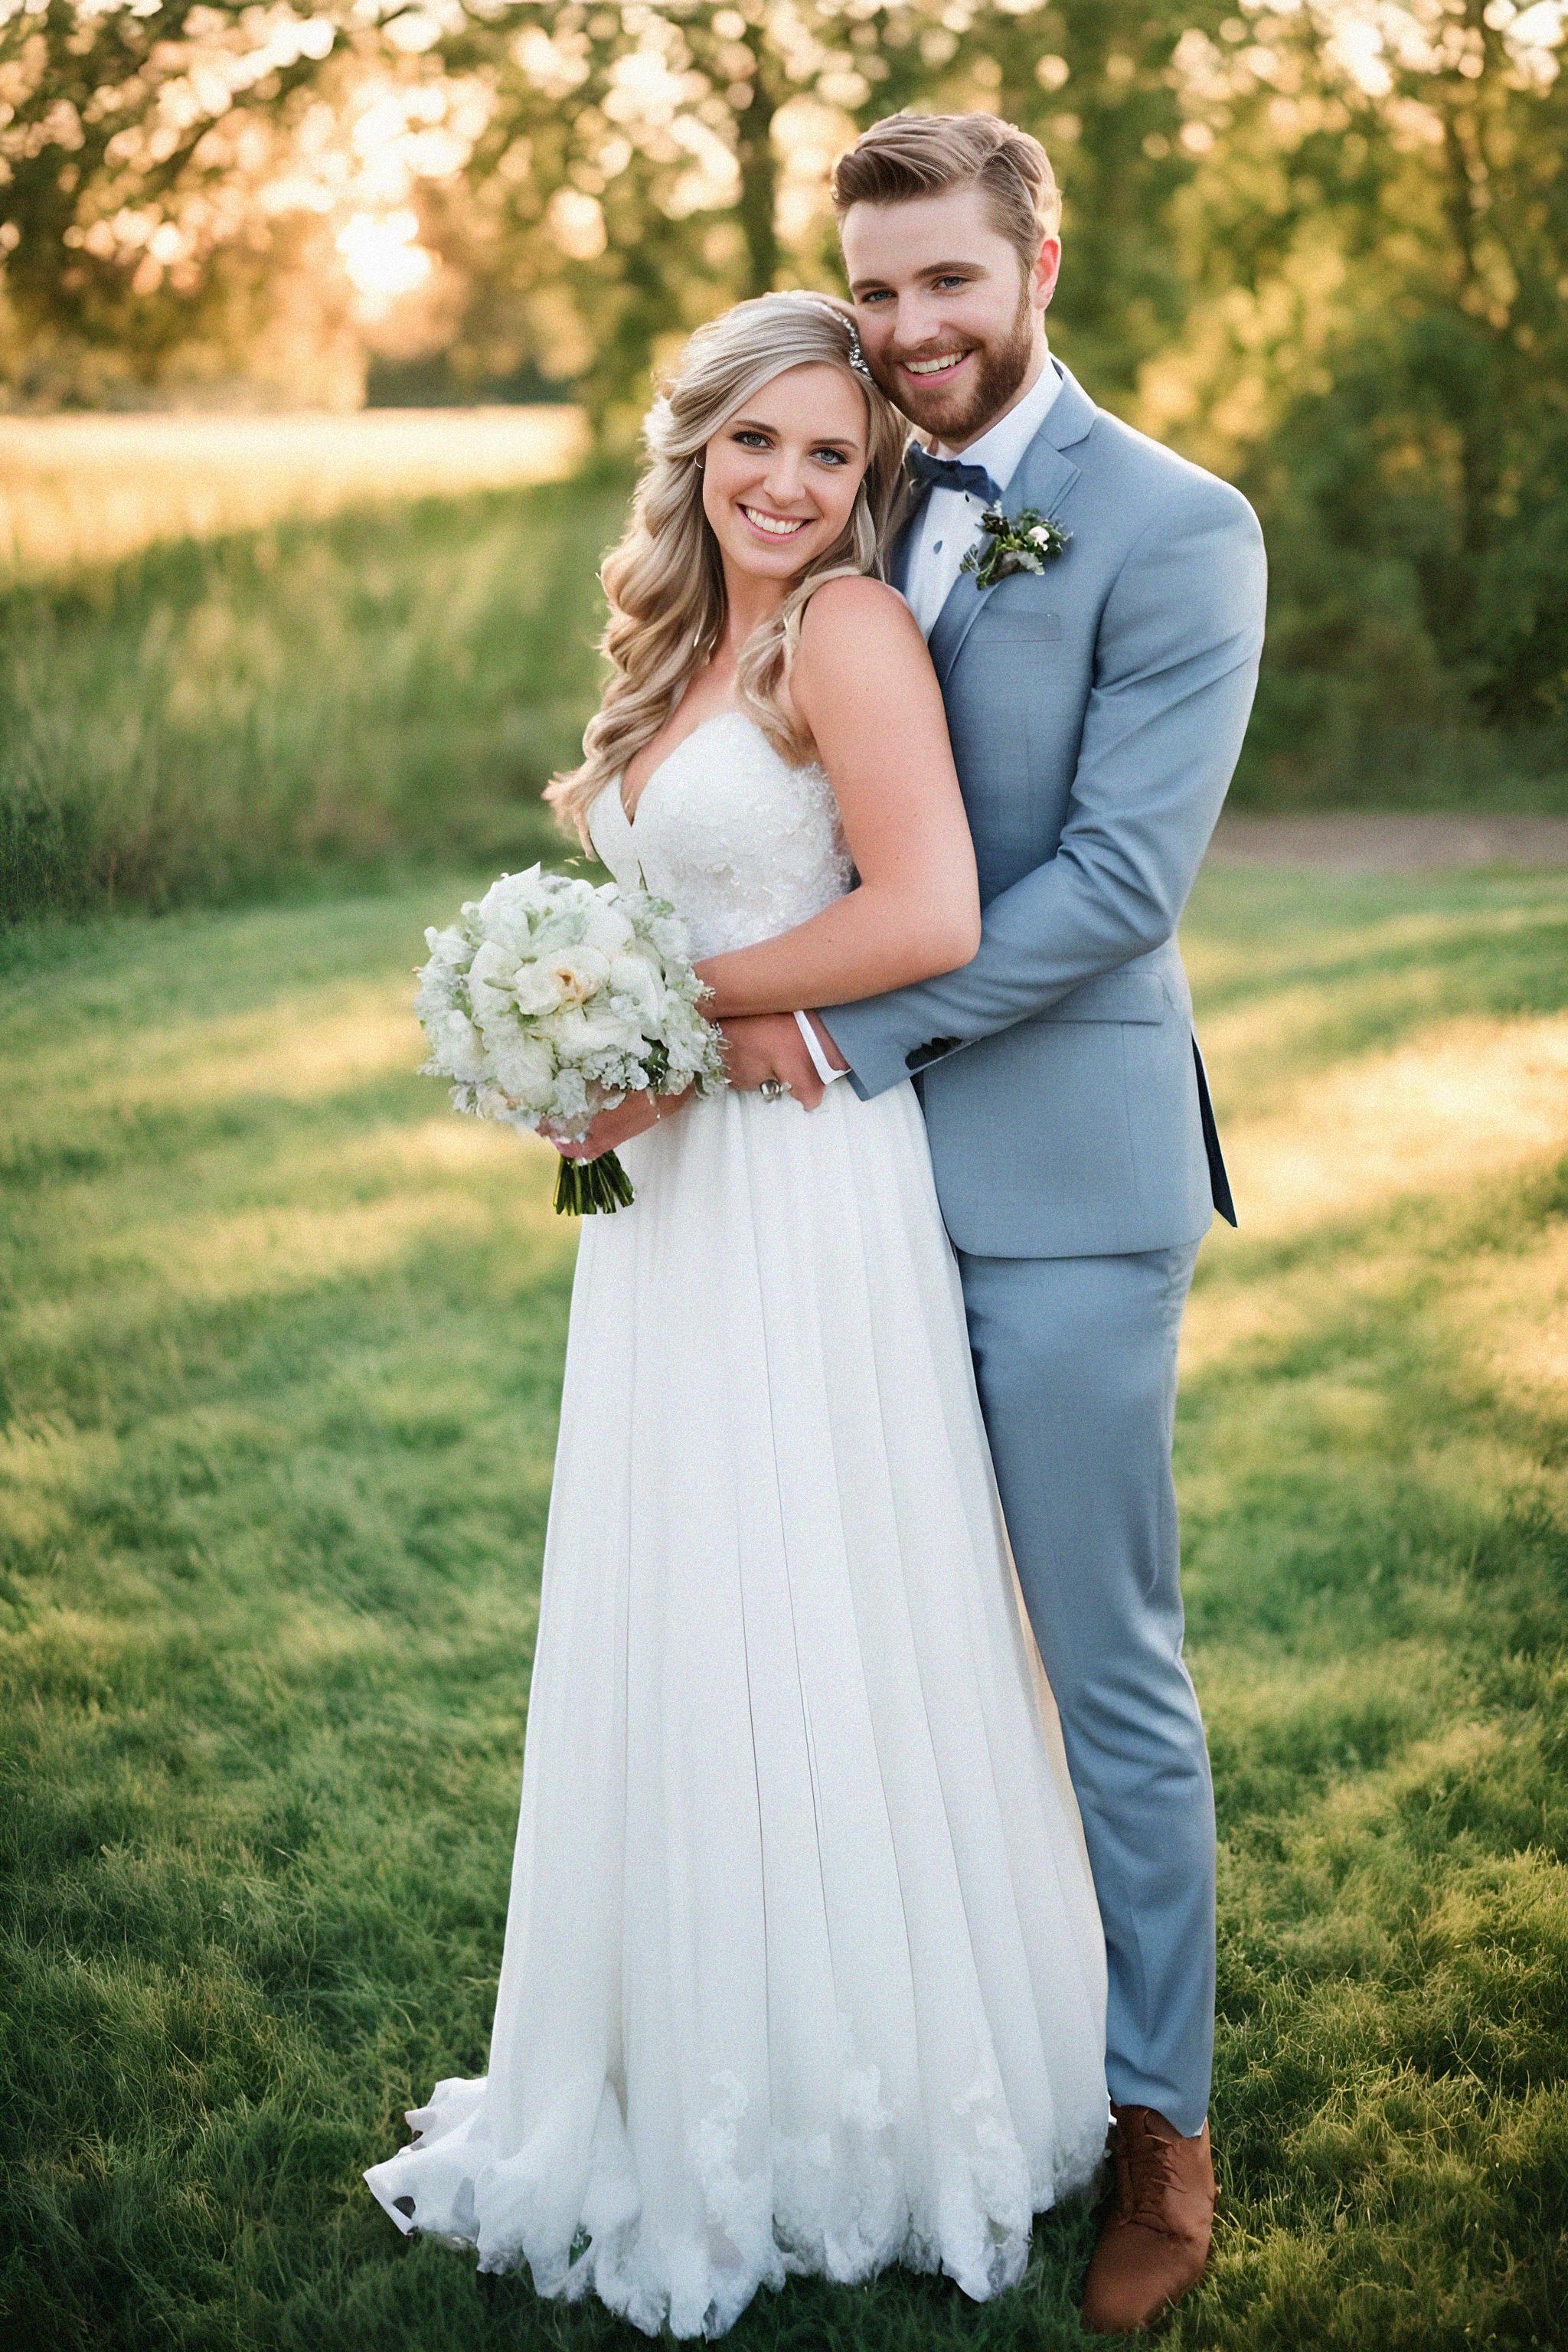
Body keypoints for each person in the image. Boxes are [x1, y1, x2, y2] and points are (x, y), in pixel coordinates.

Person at [363, 290, 1114, 2339]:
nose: (787, 485)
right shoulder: (684, 644)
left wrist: (677, 1025)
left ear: (869, 480)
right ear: (692, 449)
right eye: (752, 445)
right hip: (676, 1200)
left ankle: (856, 2099)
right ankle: (669, 2053)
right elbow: (670, 922)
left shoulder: (842, 635)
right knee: (688, 1603)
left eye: (828, 456)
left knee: (813, 1594)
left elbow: (929, 907)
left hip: (799, 1192)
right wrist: (577, 1051)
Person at [710, 114, 1269, 2336]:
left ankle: (1163, 2128)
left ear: (1043, 252)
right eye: (879, 285)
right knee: (878, 1652)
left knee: (1100, 1668)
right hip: (832, 1212)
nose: (912, 326)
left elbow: (1122, 888)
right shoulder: (847, 479)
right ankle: (913, 2069)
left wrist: (846, 1041)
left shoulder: (1175, 526)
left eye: (951, 279)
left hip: (1055, 1187)